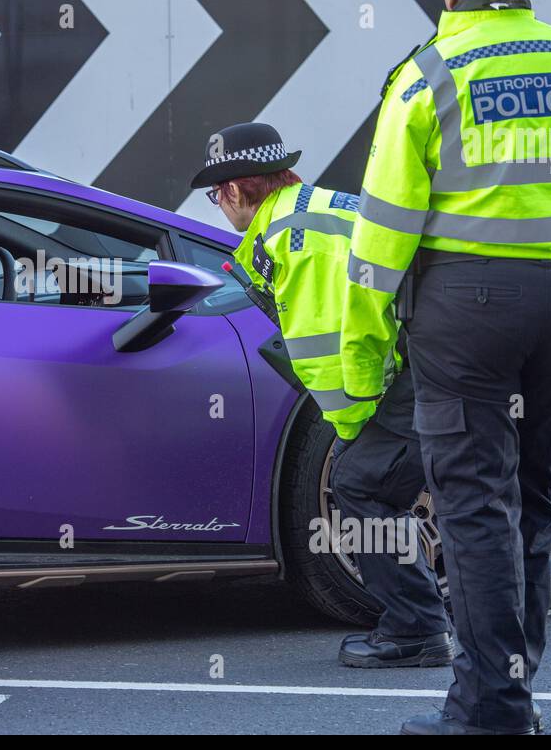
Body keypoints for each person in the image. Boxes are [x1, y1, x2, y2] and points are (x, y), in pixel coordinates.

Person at [341, 0, 551, 735]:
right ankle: (513, 695)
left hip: (466, 310)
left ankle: (490, 710)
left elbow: (381, 241)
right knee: (537, 504)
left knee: (473, 509)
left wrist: (362, 365)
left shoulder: (426, 76)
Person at [192, 122, 451, 668]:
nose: (219, 205)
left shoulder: (289, 240)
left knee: (360, 486)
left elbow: (328, 348)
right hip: (438, 356)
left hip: (410, 373)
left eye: (217, 195)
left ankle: (417, 630)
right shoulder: (321, 205)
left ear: (237, 190)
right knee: (434, 487)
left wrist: (351, 425)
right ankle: (432, 621)